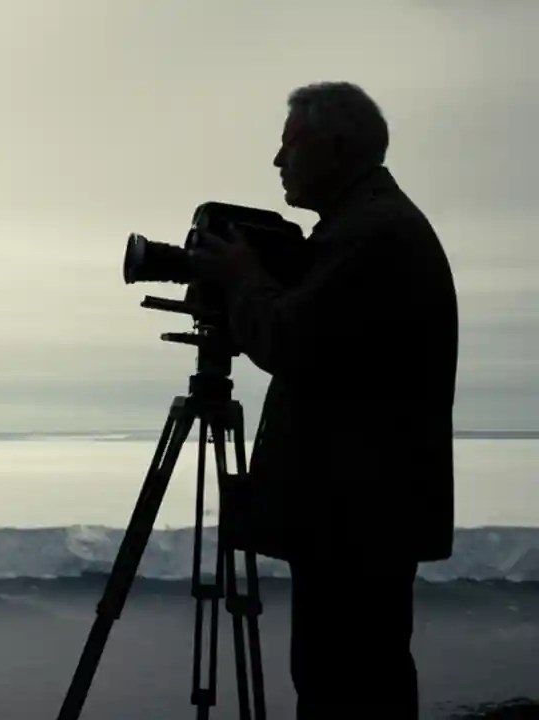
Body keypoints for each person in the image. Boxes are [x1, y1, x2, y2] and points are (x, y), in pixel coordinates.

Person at [188, 82, 459, 719]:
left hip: (356, 514)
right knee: (354, 673)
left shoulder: (373, 236)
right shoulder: (364, 227)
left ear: (334, 148)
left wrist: (242, 279)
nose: (277, 162)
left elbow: (288, 339)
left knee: (348, 683)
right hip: (361, 511)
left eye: (290, 145)